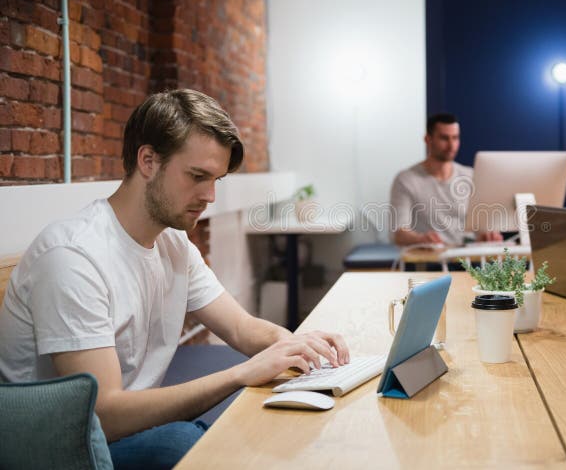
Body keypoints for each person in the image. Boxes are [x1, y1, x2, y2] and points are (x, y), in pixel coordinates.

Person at [0, 90, 349, 468]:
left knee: (251, 430)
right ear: (148, 161)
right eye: (197, 176)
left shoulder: (173, 244)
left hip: (116, 433)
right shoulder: (73, 257)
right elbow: (104, 415)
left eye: (216, 180)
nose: (210, 196)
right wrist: (239, 375)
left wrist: (295, 346)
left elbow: (240, 327)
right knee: (190, 444)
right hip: (61, 450)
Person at [390, 113, 502, 246]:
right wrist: (420, 239)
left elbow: (483, 225)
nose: (451, 145)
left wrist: (488, 235)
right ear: (428, 139)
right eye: (444, 138)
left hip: (467, 254)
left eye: (455, 138)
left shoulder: (471, 176)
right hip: (429, 255)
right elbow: (398, 233)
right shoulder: (406, 180)